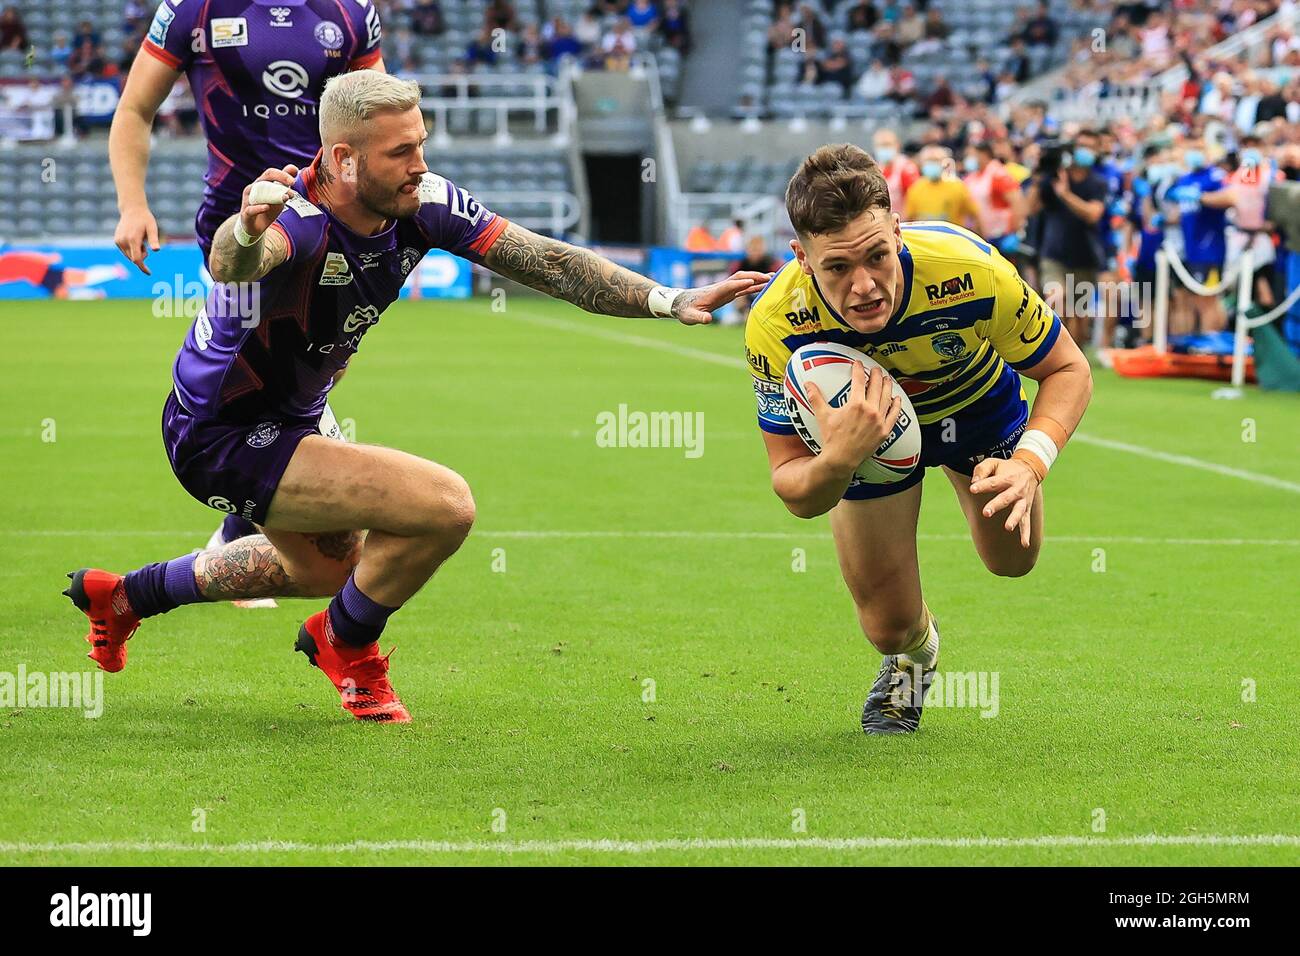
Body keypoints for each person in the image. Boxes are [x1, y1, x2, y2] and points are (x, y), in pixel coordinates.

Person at [65, 71, 772, 724]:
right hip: (220, 432)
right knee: (442, 508)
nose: (420, 164)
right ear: (343, 160)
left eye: (422, 144)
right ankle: (347, 646)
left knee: (324, 569)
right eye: (401, 152)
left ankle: (127, 595)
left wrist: (666, 298)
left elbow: (548, 262)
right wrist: (247, 222)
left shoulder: (423, 202)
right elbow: (233, 261)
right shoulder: (297, 219)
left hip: (293, 416)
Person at [744, 144, 1091, 734]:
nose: (864, 287)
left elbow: (1068, 369)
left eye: (877, 256)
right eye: (837, 268)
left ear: (897, 231)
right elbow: (795, 491)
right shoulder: (779, 322)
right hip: (863, 440)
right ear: (801, 258)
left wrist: (1031, 463)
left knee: (1013, 560)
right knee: (886, 627)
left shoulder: (970, 270)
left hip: (976, 408)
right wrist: (839, 457)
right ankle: (915, 656)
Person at [109, 0, 387, 580]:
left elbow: (380, 120)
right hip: (243, 235)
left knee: (322, 368)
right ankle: (232, 525)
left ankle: (231, 532)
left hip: (333, 227)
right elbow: (135, 108)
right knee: (267, 383)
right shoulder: (195, 9)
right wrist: (133, 205)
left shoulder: (351, 12)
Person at [1025, 131, 1108, 345]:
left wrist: (1066, 195)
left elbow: (1092, 214)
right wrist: (1037, 179)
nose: (1084, 150)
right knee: (1057, 299)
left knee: (1079, 315)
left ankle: (1074, 357)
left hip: (1085, 256)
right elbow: (1030, 209)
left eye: (1090, 146)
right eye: (1081, 145)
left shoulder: (1097, 183)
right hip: (1053, 254)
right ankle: (1056, 353)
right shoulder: (1053, 178)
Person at [903, 145, 980, 228]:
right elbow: (908, 218)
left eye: (936, 160)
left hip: (951, 239)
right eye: (929, 160)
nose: (932, 164)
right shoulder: (915, 188)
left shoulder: (958, 187)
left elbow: (974, 214)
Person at [872, 127, 918, 213]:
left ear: (897, 145)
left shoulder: (906, 168)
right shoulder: (875, 167)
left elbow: (915, 198)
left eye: (887, 144)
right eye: (880, 145)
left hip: (904, 220)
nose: (884, 148)